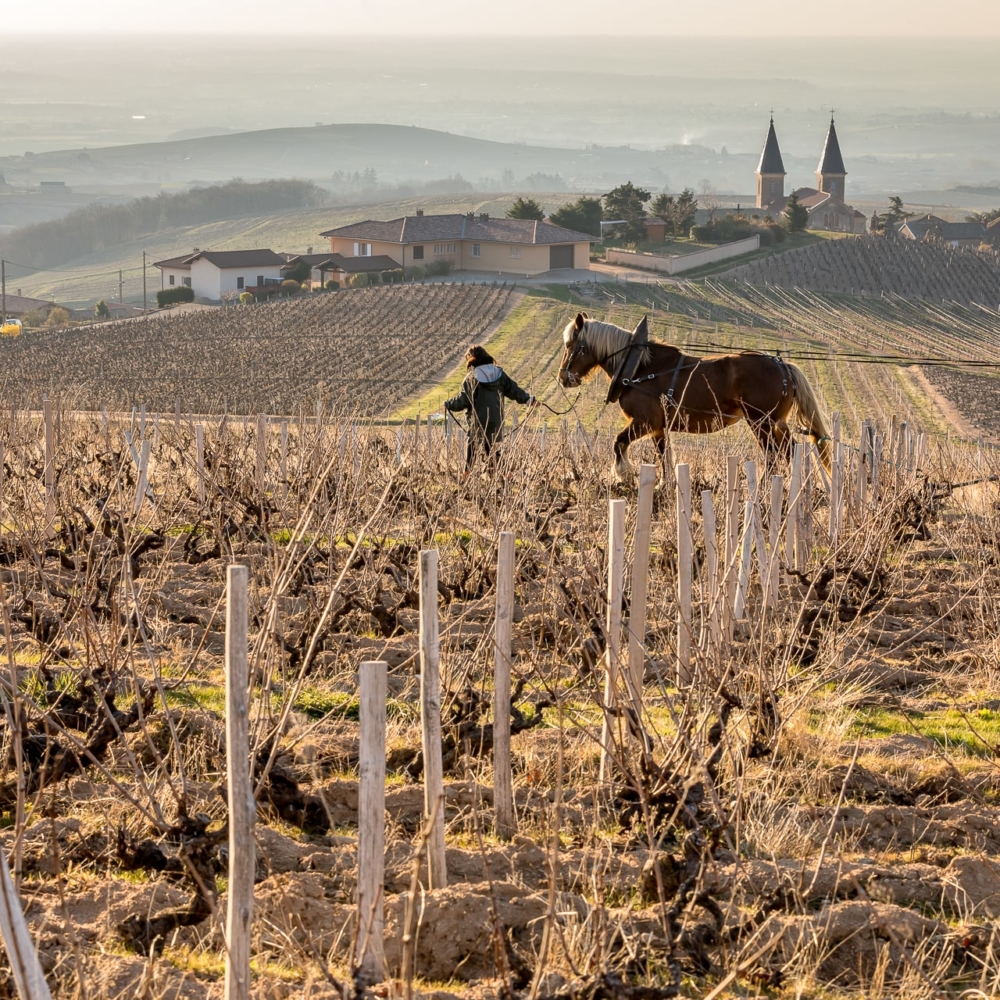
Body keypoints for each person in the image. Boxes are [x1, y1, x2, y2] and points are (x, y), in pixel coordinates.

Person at [444, 345, 537, 470]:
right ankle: (504, 477)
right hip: (496, 421)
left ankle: (467, 477)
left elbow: (463, 401)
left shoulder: (471, 378)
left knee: (472, 448)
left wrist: (448, 404)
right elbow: (514, 391)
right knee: (492, 450)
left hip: (478, 422)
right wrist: (530, 400)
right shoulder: (500, 374)